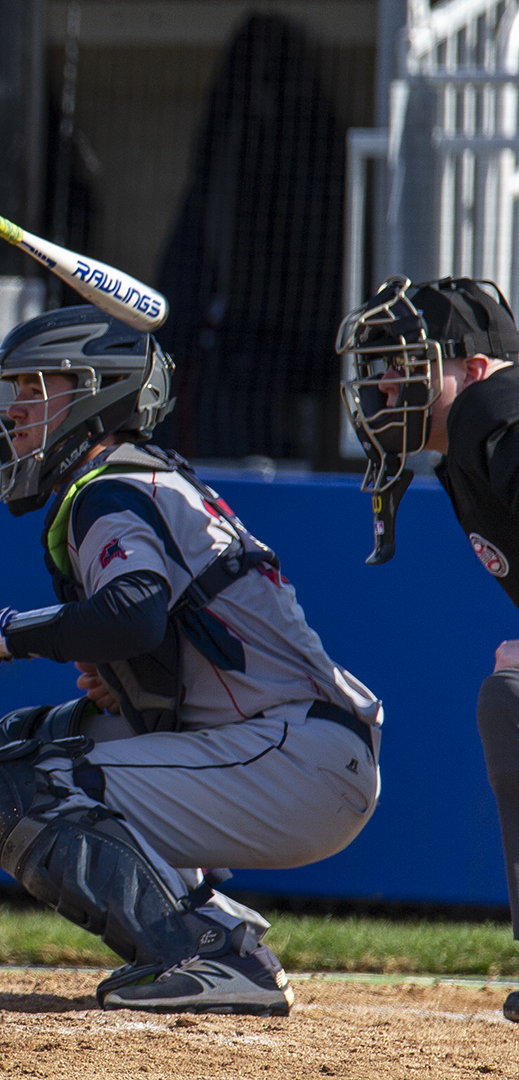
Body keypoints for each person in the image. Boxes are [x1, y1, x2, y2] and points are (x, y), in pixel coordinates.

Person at [0, 306, 381, 1016]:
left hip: (298, 757)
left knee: (29, 786)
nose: (17, 410)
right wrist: (126, 679)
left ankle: (207, 953)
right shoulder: (138, 479)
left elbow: (132, 613)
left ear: (97, 396)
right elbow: (157, 640)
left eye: (37, 389)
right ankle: (215, 932)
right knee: (29, 746)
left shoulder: (113, 488)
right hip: (288, 745)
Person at [338, 275, 519, 1023]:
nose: (384, 383)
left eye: (408, 363)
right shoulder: (468, 444)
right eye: (379, 366)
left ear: (474, 367)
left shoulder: (495, 407)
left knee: (510, 703)